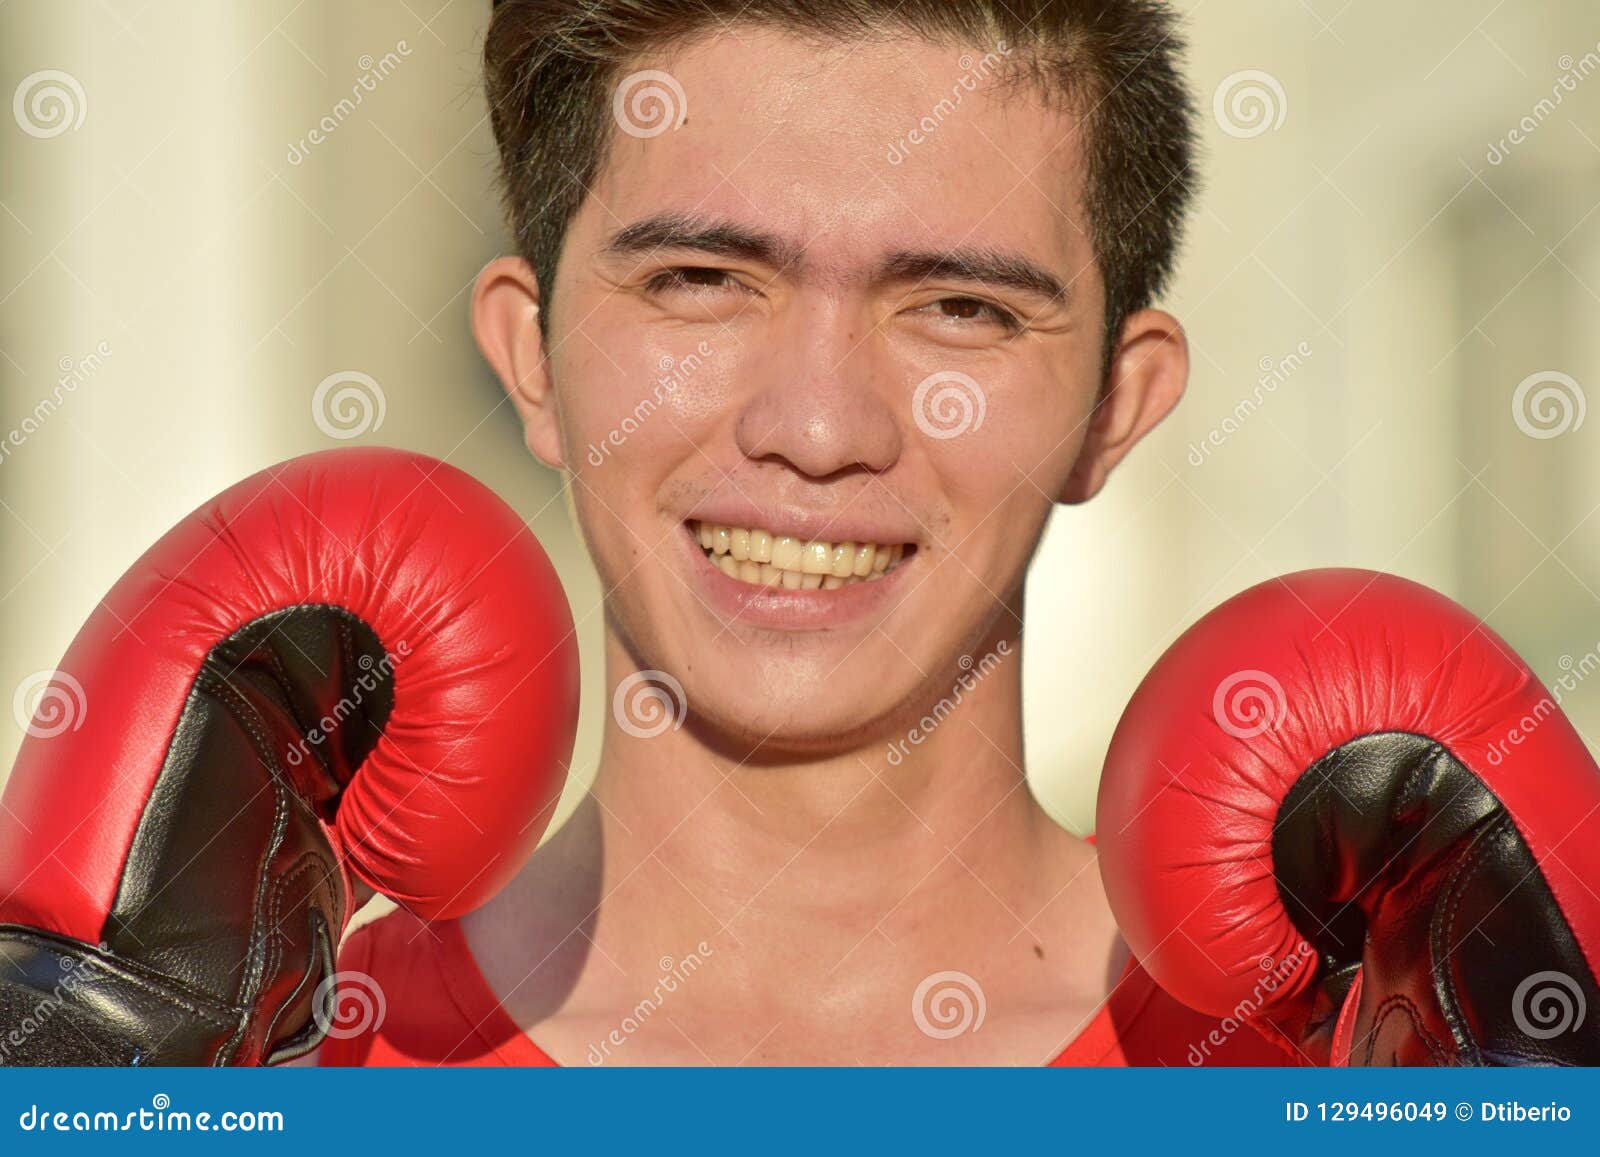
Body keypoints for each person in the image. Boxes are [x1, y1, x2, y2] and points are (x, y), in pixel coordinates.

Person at [318, 0, 1282, 1066]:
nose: (818, 430)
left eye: (961, 307)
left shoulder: (1333, 1061)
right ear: (532, 355)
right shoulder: (281, 1064)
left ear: (1114, 406)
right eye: (700, 282)